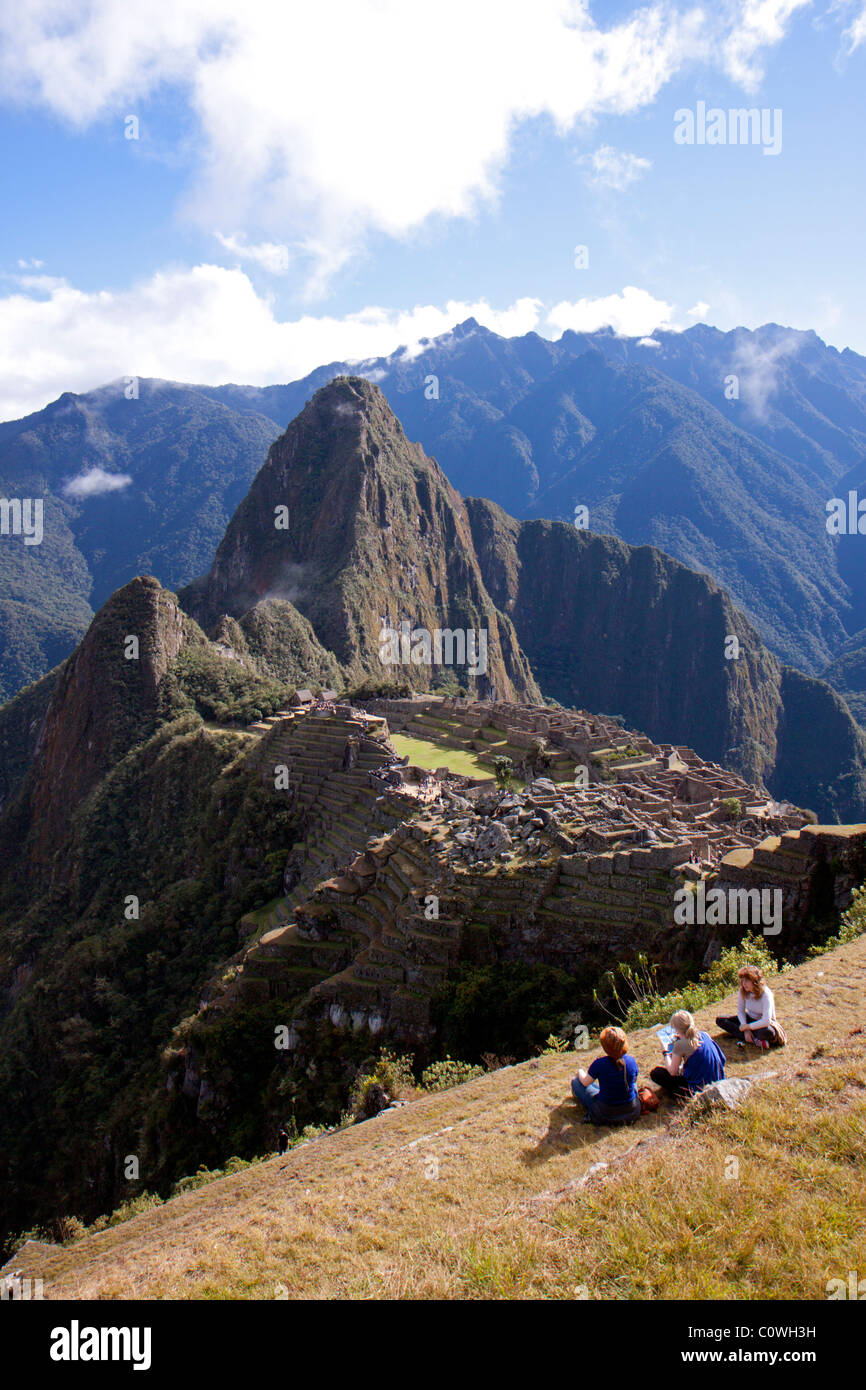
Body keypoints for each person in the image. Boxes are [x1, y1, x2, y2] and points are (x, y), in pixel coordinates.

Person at [571, 1025, 641, 1126]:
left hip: (605, 1112)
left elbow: (585, 1082)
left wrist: (580, 1071)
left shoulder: (599, 1064)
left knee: (576, 1082)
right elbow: (634, 1081)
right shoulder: (631, 1061)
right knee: (632, 1085)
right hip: (632, 1110)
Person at [650, 1010, 726, 1100]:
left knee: (656, 1073)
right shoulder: (704, 1035)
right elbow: (722, 1059)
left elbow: (672, 1072)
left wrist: (665, 1052)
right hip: (718, 1080)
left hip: (699, 1090)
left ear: (676, 1029)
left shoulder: (681, 1045)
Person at [716, 965, 781, 1049]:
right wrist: (745, 1028)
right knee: (721, 1020)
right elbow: (740, 1010)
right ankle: (755, 1039)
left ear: (754, 980)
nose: (744, 984)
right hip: (749, 1019)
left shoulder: (766, 994)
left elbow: (766, 1021)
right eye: (742, 981)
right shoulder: (742, 990)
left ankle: (752, 1037)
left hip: (763, 1024)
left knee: (768, 1032)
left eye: (747, 980)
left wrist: (748, 1027)